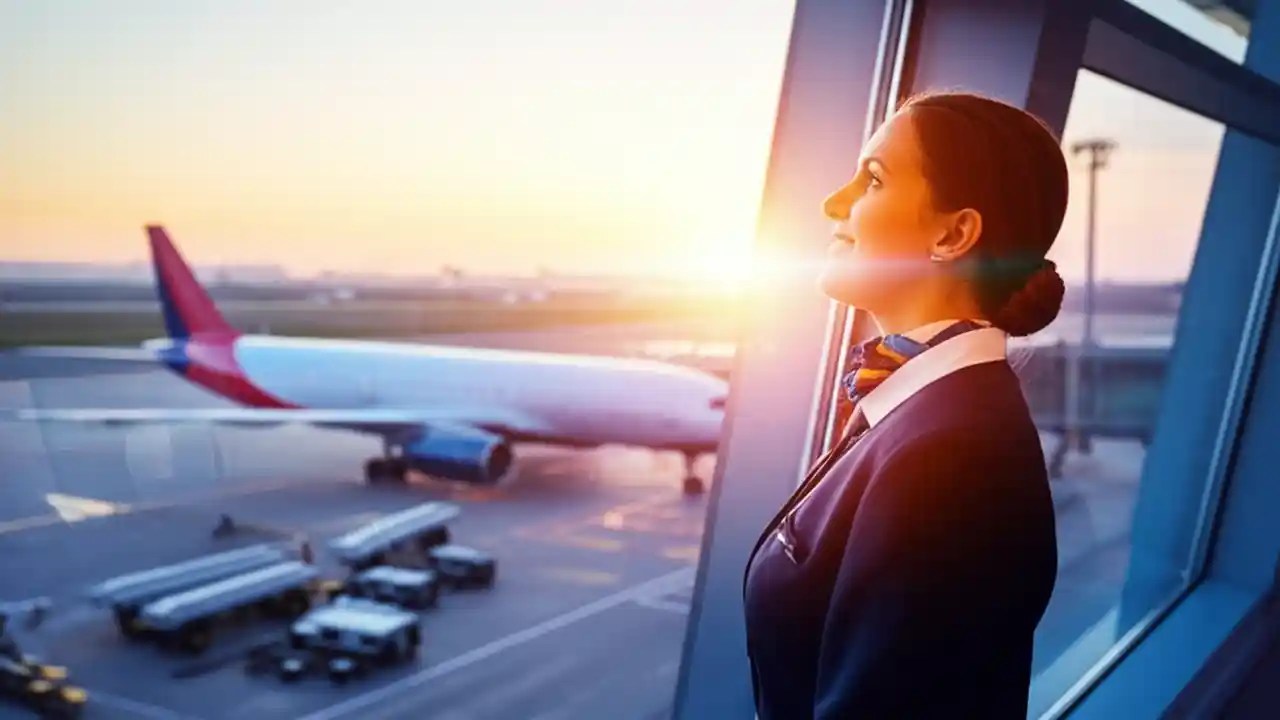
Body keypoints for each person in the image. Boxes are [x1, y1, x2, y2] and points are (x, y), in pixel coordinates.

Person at [743, 91, 1066, 719]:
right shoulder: (929, 409)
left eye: (872, 178)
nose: (833, 203)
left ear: (952, 234)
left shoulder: (953, 461)